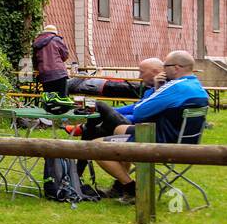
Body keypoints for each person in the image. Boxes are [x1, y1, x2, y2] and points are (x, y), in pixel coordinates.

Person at [72, 51, 209, 200]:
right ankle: (117, 187)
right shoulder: (197, 86)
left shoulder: (175, 86)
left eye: (165, 66)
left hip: (161, 143)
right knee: (117, 130)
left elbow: (140, 112)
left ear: (176, 68)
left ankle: (130, 188)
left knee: (95, 147)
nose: (163, 69)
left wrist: (158, 87)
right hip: (184, 143)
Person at [31, 25, 71, 97]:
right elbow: (65, 55)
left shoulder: (37, 41)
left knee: (49, 97)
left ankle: (49, 108)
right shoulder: (56, 40)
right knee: (62, 98)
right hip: (59, 74)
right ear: (54, 33)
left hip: (45, 74)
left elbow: (34, 60)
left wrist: (38, 69)